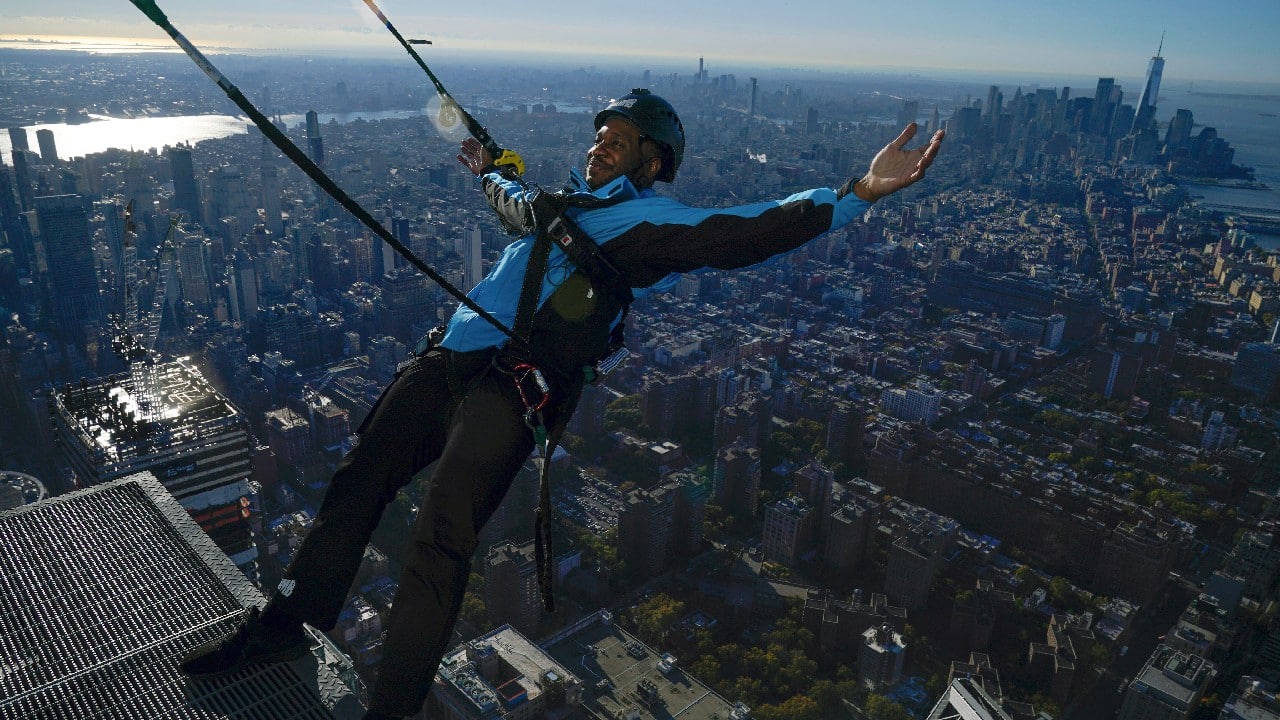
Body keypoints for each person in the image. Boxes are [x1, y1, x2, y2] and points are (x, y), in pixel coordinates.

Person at [180, 88, 944, 719]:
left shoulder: (651, 223)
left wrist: (855, 194)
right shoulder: (554, 207)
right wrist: (487, 168)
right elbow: (512, 202)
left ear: (653, 161)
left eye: (621, 138)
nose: (601, 144)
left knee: (441, 533)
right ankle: (283, 626)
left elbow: (746, 232)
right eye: (600, 135)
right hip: (446, 361)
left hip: (511, 390)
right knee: (354, 489)